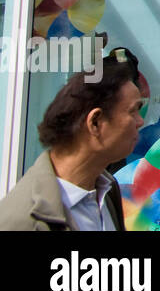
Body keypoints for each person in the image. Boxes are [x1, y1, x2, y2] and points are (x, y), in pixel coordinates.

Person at [0, 65, 143, 231]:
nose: (140, 122)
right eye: (132, 112)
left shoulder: (106, 189)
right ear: (95, 122)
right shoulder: (22, 221)